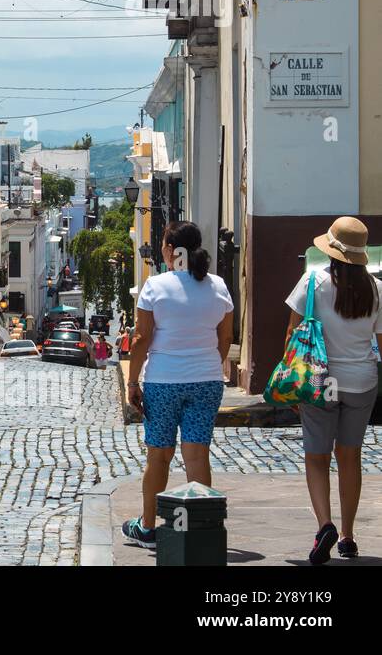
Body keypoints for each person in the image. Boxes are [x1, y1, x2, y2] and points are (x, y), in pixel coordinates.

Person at [122, 221, 233, 550]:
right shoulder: (218, 287)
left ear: (172, 250)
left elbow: (141, 339)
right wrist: (209, 363)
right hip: (207, 381)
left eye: (163, 246)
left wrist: (132, 381)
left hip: (164, 381)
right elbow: (225, 338)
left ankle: (147, 527)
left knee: (159, 456)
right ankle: (199, 528)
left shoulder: (155, 286)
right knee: (197, 455)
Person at [284, 217, 382, 564]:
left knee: (316, 455)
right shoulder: (376, 288)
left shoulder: (313, 281)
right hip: (362, 382)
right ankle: (348, 535)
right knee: (350, 456)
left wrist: (296, 388)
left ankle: (324, 524)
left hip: (320, 380)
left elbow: (293, 335)